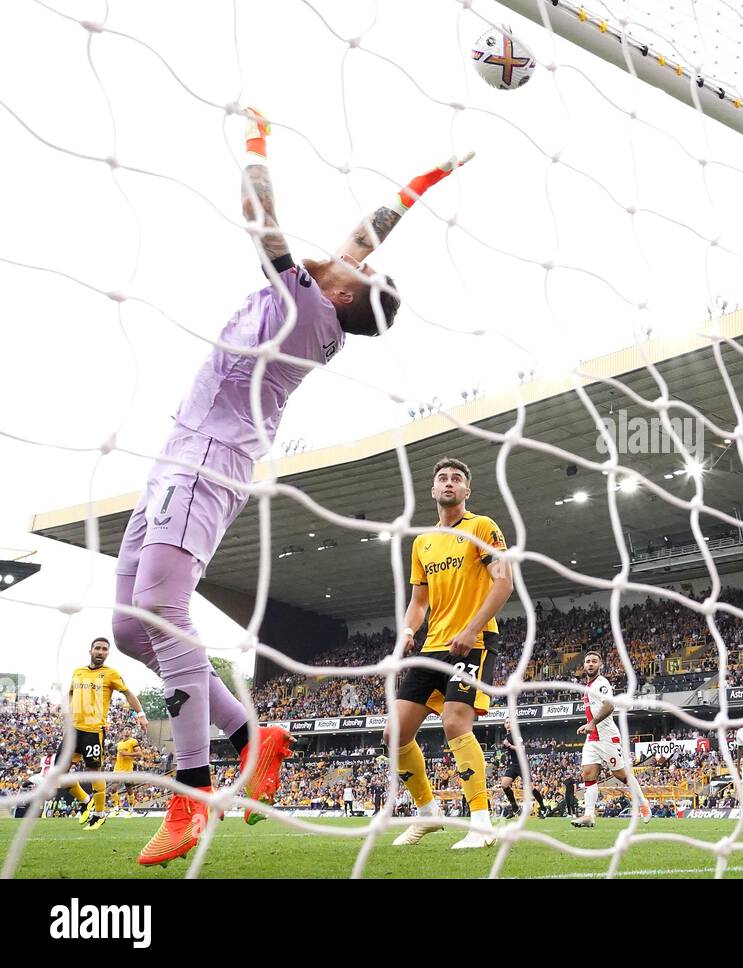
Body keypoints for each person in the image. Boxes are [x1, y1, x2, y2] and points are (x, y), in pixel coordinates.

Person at [109, 107, 468, 866]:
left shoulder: (305, 302)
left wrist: (256, 139)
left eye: (353, 266)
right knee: (131, 630)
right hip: (178, 454)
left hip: (208, 461)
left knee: (164, 613)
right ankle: (253, 736)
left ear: (344, 296)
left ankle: (192, 792)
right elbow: (369, 232)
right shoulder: (325, 294)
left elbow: (258, 213)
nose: (345, 253)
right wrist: (429, 178)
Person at [387, 458, 513, 849]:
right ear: (433, 490)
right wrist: (407, 632)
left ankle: (482, 824)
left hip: (474, 643)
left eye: (456, 478)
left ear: (466, 491)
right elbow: (418, 601)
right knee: (394, 734)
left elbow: (504, 582)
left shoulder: (482, 527)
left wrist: (471, 629)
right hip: (432, 648)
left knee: (455, 723)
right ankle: (427, 813)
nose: (449, 482)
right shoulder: (422, 542)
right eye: (442, 478)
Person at [65, 637, 149, 830]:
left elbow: (128, 693)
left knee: (93, 772)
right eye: (98, 648)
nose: (101, 652)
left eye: (104, 649)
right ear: (90, 651)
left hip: (93, 731)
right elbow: (70, 693)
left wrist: (141, 714)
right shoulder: (78, 672)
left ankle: (99, 815)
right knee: (58, 774)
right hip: (73, 731)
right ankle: (86, 801)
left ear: (107, 653)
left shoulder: (111, 674)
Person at [570, 652, 651, 828]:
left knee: (620, 774)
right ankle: (589, 815)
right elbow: (595, 710)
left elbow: (609, 705)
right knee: (588, 774)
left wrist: (592, 723)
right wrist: (588, 725)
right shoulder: (588, 686)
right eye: (588, 661)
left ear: (600, 665)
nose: (590, 664)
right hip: (593, 737)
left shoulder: (601, 683)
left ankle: (643, 802)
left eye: (594, 661)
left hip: (607, 737)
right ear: (584, 666)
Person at [109, 731, 145, 815]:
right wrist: (112, 758)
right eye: (125, 729)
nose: (127, 730)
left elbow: (139, 754)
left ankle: (131, 806)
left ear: (131, 732)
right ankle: (116, 807)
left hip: (128, 770)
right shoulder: (119, 744)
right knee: (113, 788)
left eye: (129, 729)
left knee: (129, 789)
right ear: (122, 732)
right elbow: (118, 756)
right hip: (117, 769)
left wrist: (126, 754)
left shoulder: (133, 741)